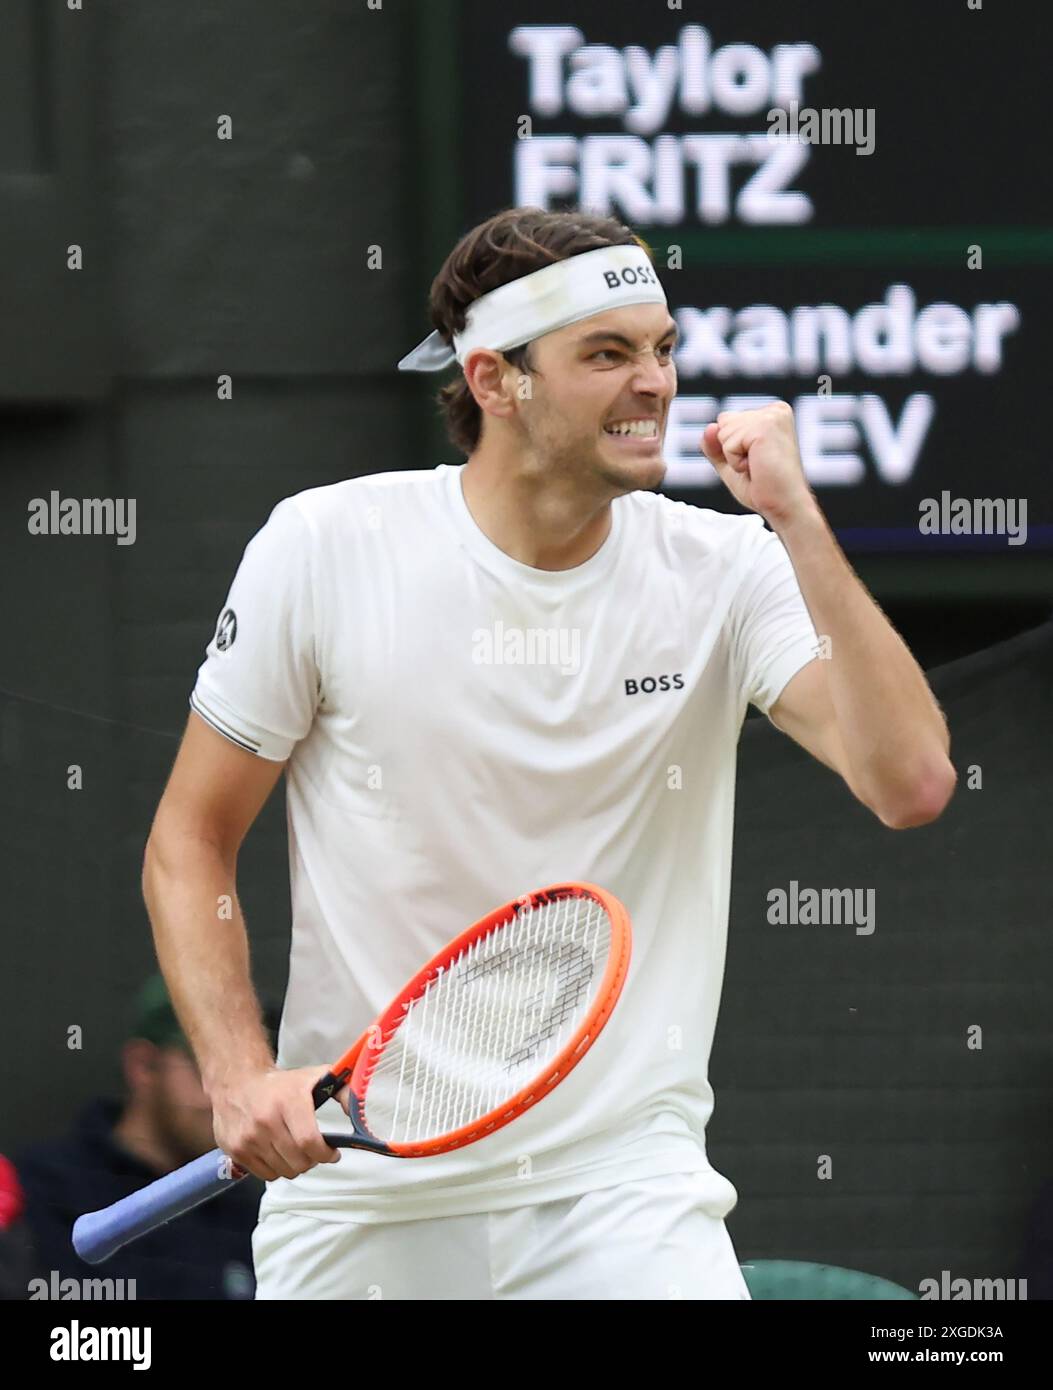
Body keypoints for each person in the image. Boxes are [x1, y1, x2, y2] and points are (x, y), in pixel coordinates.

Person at [144, 207, 956, 1300]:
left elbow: (909, 784)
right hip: (362, 1195)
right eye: (607, 354)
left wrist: (801, 522)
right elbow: (191, 838)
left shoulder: (729, 566)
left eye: (663, 348)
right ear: (495, 380)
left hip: (624, 1191)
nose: (656, 383)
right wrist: (239, 1077)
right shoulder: (324, 547)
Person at [14, 976, 260, 1299]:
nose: (231, 1092)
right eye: (208, 1063)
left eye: (249, 1070)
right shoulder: (39, 1189)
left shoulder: (252, 1213)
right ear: (143, 1066)